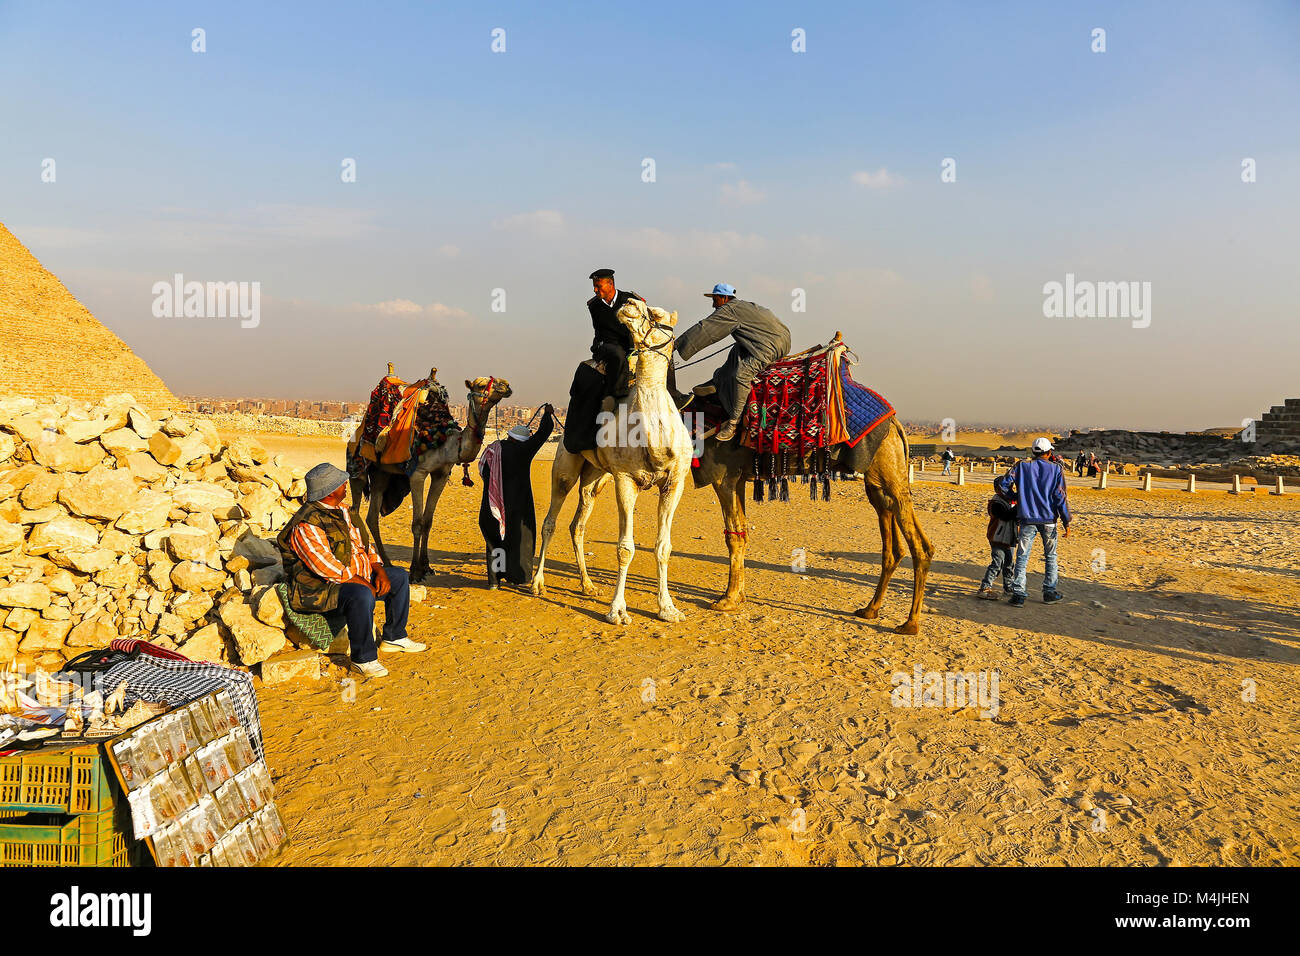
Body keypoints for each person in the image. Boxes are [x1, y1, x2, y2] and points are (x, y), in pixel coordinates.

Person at [277, 463, 426, 679]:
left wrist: (378, 568)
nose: (346, 484)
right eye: (341, 483)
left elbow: (363, 545)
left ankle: (394, 637)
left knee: (399, 577)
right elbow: (325, 567)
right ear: (329, 492)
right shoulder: (306, 525)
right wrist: (361, 581)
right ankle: (363, 659)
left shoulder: (344, 511)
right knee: (361, 594)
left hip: (354, 575)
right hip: (321, 588)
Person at [565, 268, 686, 455]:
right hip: (608, 345)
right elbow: (602, 331)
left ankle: (674, 395)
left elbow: (644, 324)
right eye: (595, 287)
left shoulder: (631, 300)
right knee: (617, 355)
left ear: (610, 284)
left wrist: (638, 348)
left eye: (598, 286)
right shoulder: (594, 306)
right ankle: (616, 395)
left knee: (665, 355)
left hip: (634, 344)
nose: (596, 290)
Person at [674, 283, 791, 442]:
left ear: (724, 298)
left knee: (741, 375)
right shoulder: (743, 307)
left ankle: (733, 423)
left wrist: (675, 345)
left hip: (769, 347)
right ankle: (719, 381)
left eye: (715, 299)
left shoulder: (729, 310)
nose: (713, 305)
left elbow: (706, 329)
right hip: (777, 340)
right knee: (737, 351)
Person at [479, 406, 555, 589]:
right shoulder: (524, 451)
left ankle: (494, 581)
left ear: (510, 436)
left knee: (494, 544)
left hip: (491, 507)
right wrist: (547, 415)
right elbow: (542, 434)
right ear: (522, 441)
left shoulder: (492, 450)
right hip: (516, 508)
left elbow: (483, 472)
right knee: (519, 543)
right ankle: (517, 577)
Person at [996, 437, 1071, 607]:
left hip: (1027, 519)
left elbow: (1003, 485)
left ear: (1033, 451)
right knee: (1051, 556)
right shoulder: (1056, 469)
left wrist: (1016, 497)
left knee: (1022, 556)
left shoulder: (1021, 466)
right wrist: (1066, 520)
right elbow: (1060, 496)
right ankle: (1049, 592)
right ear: (1049, 452)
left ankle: (1018, 594)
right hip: (1049, 519)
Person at [975, 484, 1018, 600]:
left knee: (1009, 564)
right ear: (997, 490)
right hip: (997, 537)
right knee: (997, 564)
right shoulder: (995, 503)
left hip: (1009, 538)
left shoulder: (1010, 501)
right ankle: (984, 587)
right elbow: (1006, 516)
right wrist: (1018, 507)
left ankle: (1008, 587)